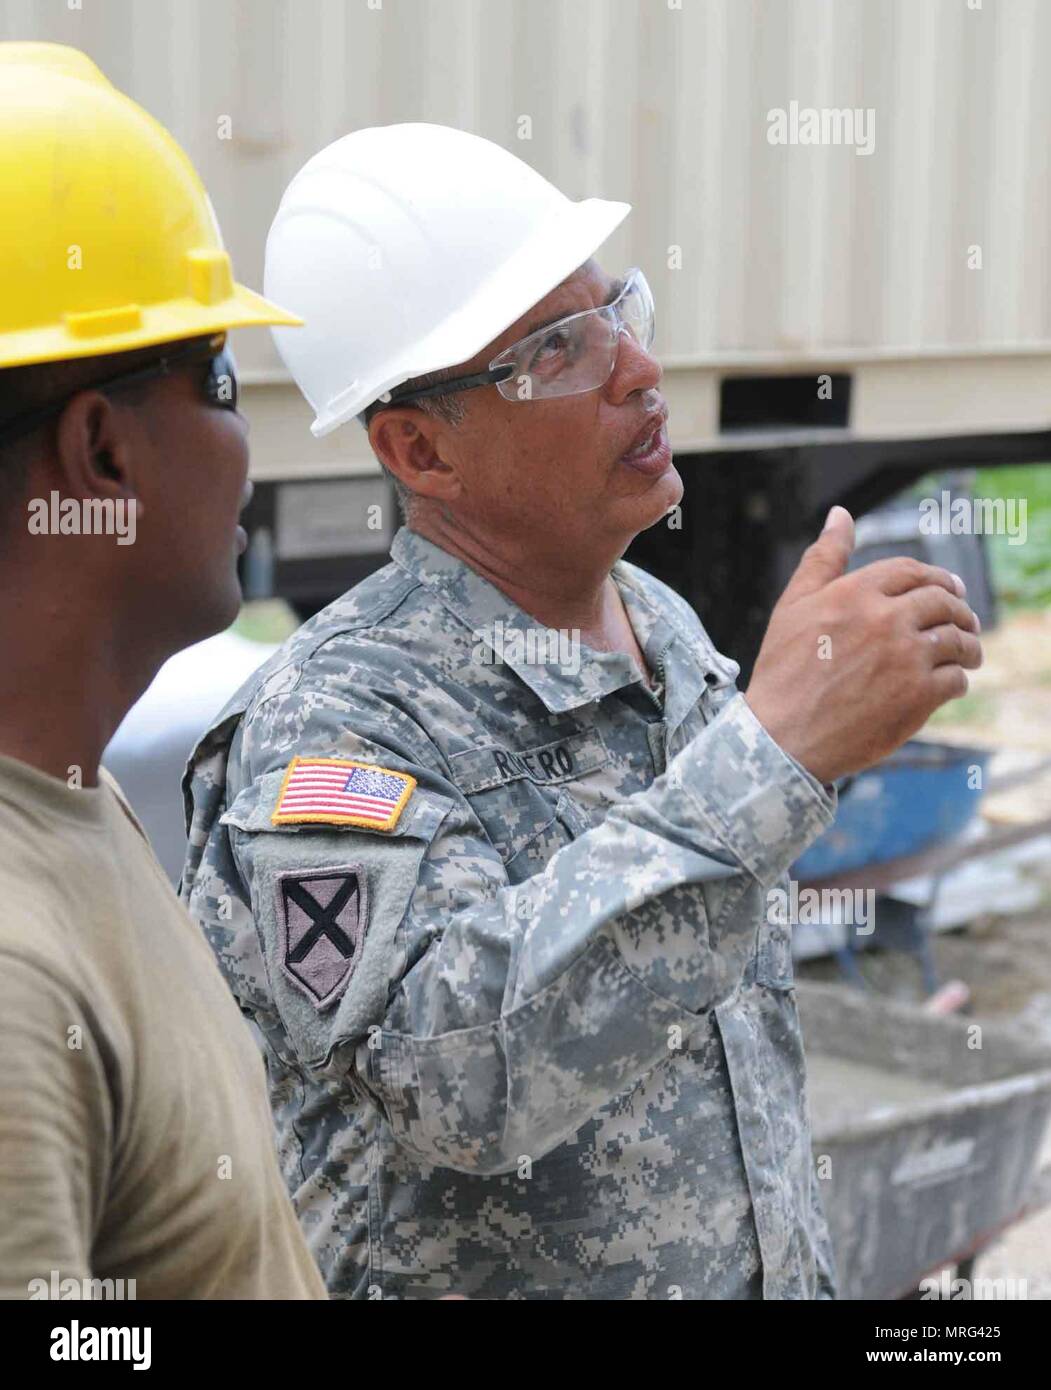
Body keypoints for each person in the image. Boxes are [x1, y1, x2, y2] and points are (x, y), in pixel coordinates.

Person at [182, 123, 982, 1299]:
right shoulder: (335, 720)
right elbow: (450, 1080)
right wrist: (775, 753)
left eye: (622, 313)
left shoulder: (664, 630)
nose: (636, 370)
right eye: (557, 350)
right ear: (419, 449)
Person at [0, 43, 325, 1300]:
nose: (249, 444)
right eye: (222, 377)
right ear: (102, 451)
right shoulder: (18, 970)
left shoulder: (78, 798)